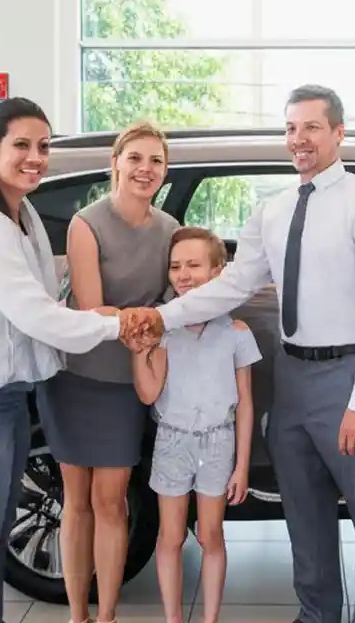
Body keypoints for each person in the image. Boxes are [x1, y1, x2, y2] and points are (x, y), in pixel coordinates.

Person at [132, 84, 355, 623]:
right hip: (293, 376)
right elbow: (233, 284)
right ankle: (317, 614)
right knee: (303, 515)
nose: (298, 139)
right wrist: (160, 317)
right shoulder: (274, 210)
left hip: (350, 376)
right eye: (290, 128)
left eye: (311, 127)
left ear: (338, 133)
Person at [0, 97, 150, 623]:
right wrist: (120, 324)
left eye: (43, 146)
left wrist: (106, 310)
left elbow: (49, 303)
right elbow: (38, 316)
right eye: (21, 145)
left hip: (5, 400)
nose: (35, 157)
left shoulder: (20, 215)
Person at [35, 121, 179, 623]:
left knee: (113, 500)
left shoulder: (169, 230)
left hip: (124, 381)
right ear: (115, 162)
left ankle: (109, 613)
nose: (145, 169)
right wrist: (145, 320)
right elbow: (92, 308)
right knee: (76, 500)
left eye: (155, 161)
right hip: (75, 376)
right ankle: (78, 614)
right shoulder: (86, 224)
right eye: (135, 158)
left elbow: (171, 298)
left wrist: (151, 320)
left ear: (165, 171)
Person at [132, 226, 260, 623]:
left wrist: (241, 466)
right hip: (173, 442)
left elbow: (245, 405)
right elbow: (149, 394)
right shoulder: (164, 329)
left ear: (219, 271)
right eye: (175, 266)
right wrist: (140, 351)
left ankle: (210, 619)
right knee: (169, 537)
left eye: (193, 265)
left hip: (217, 444)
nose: (183, 274)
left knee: (210, 536)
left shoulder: (236, 334)